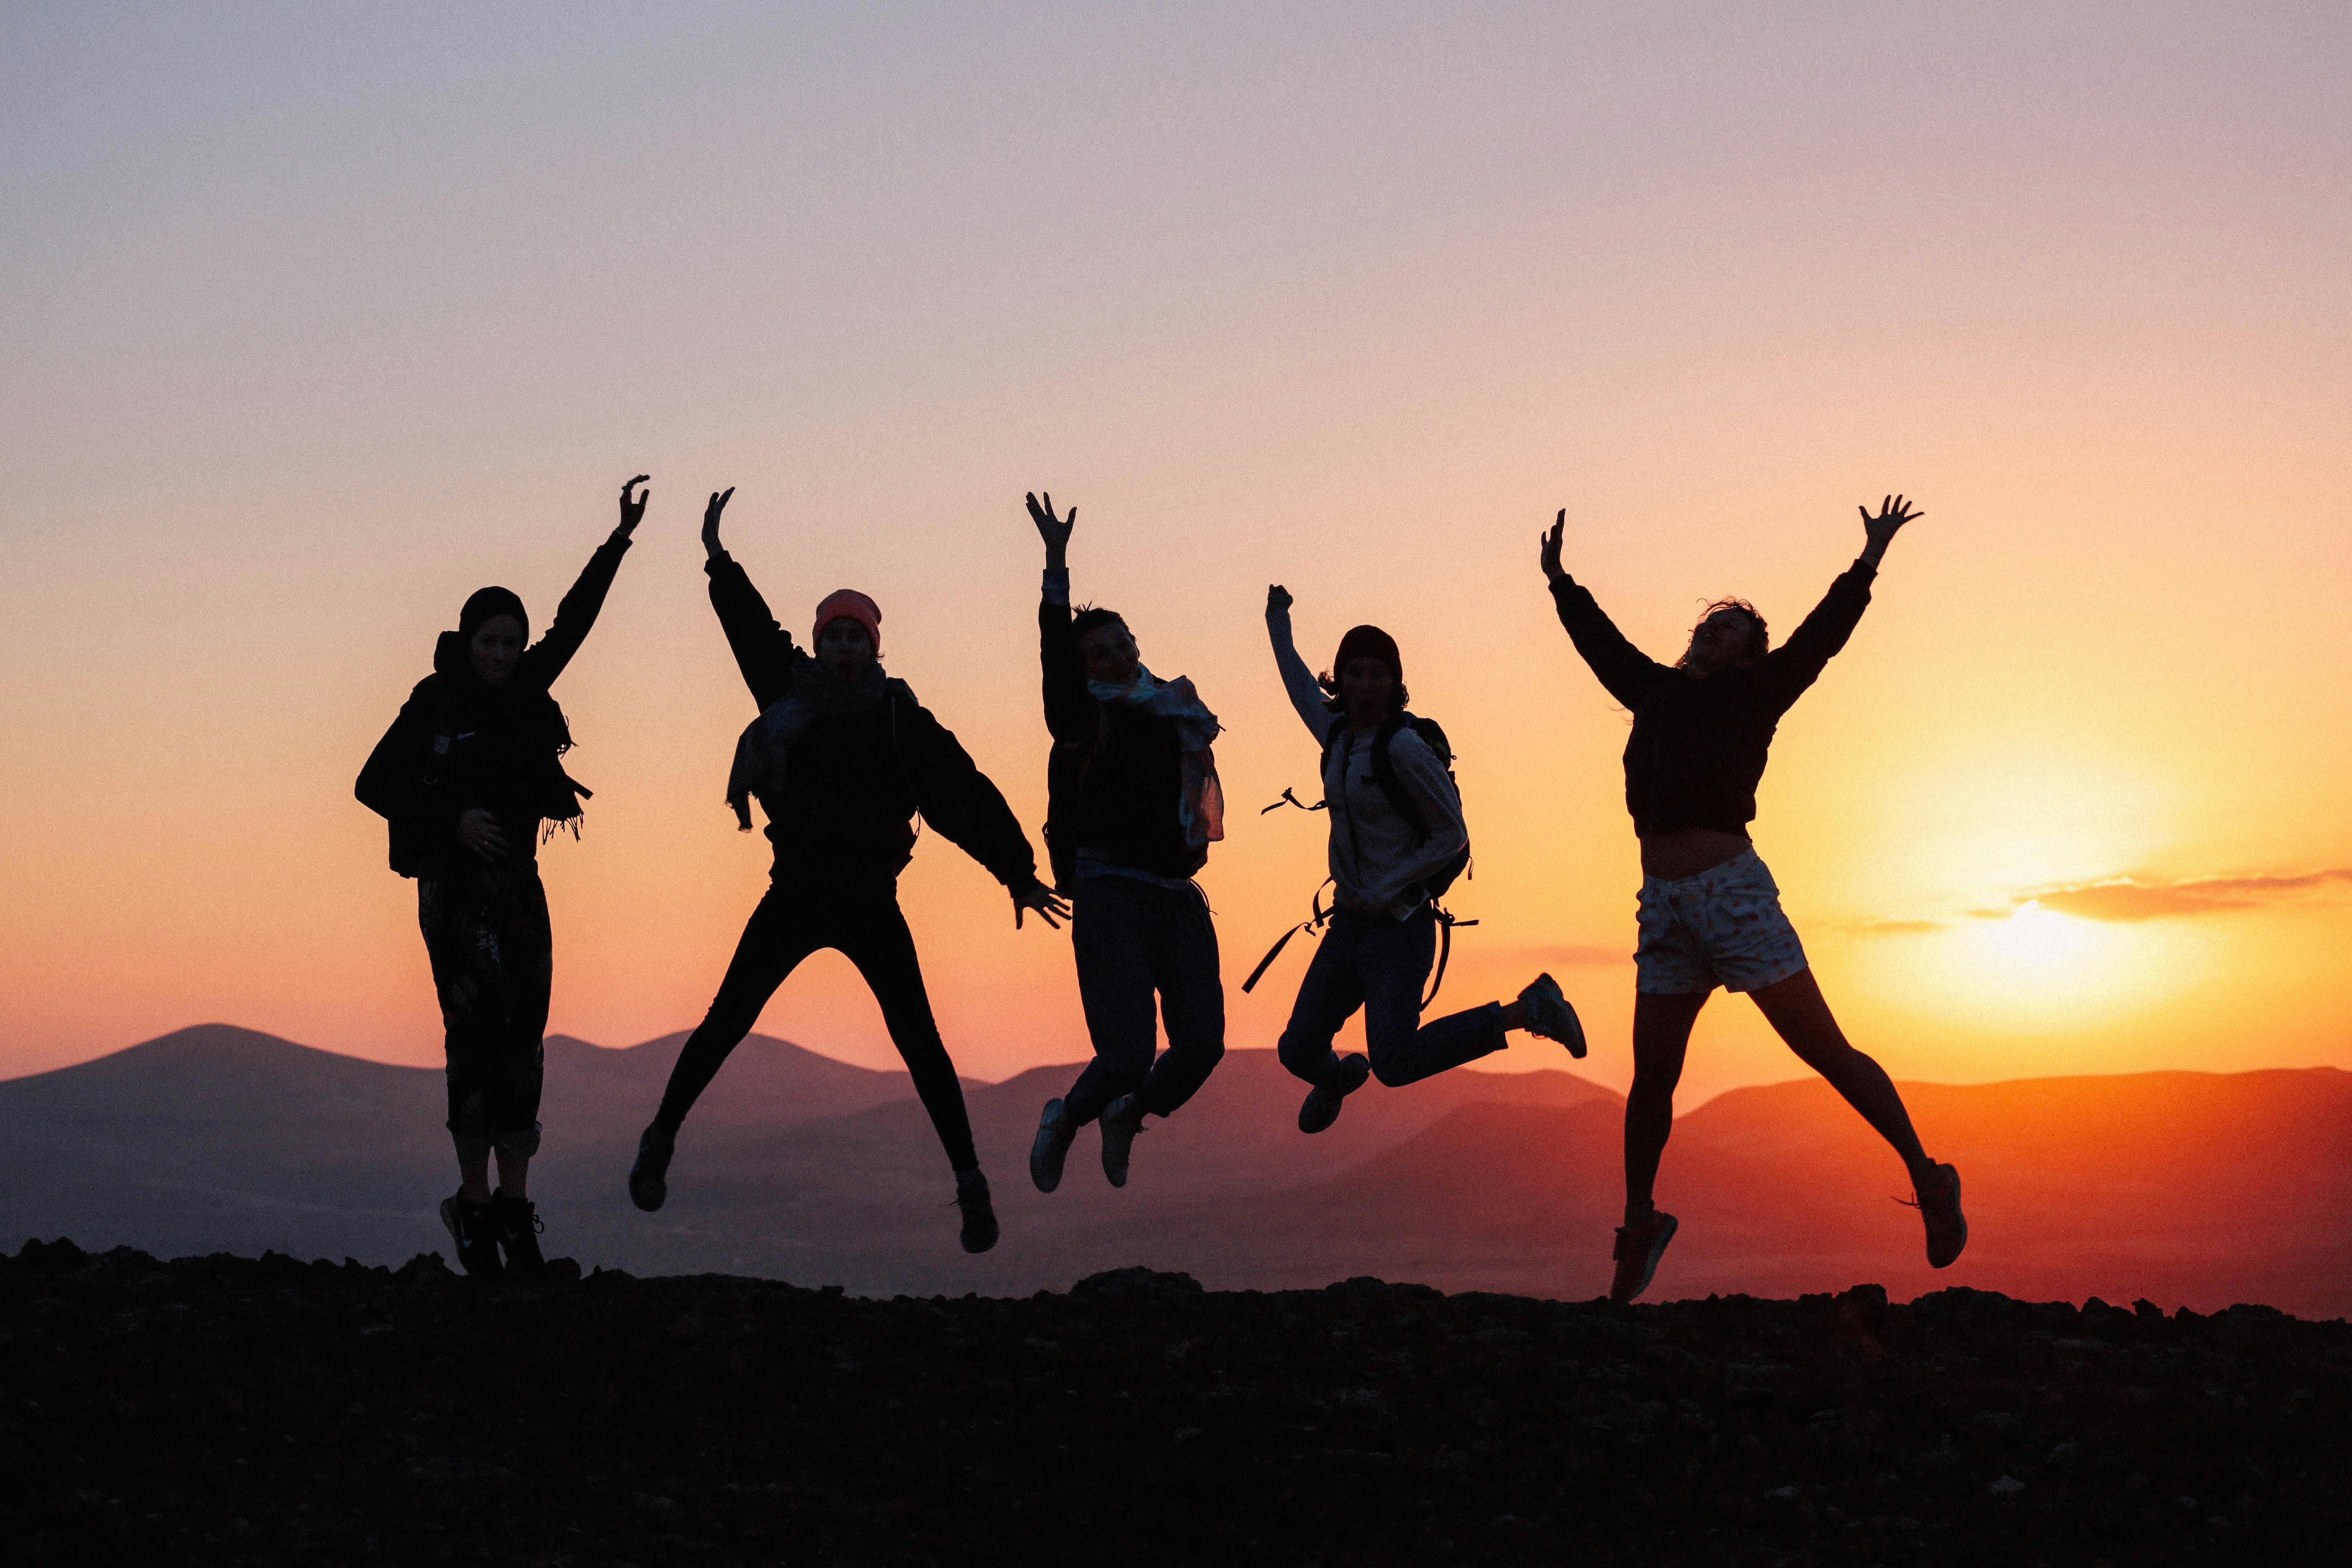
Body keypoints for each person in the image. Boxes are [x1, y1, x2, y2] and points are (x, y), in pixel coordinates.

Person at [1539, 495, 1967, 1303]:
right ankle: (1640, 1226)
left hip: (1734, 898)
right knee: (1653, 1081)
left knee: (1826, 1054)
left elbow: (1821, 641)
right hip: (1663, 904)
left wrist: (1867, 562)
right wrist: (1561, 582)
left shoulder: (1759, 693)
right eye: (1708, 628)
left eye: (1732, 633)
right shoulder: (1655, 692)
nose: (1715, 635)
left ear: (1749, 656)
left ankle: (1928, 1177)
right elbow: (1602, 646)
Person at [629, 487, 1068, 1254]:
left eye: (854, 637)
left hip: (869, 902)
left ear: (874, 647)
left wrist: (1017, 872)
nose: (841, 648)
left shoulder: (899, 717)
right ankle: (660, 1138)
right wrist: (717, 559)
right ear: (818, 643)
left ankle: (971, 1187)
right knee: (727, 1021)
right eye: (831, 636)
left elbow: (960, 791)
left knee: (920, 1042)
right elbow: (750, 632)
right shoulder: (788, 695)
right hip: (795, 893)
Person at [356, 474, 652, 1280]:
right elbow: (374, 784)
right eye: (491, 640)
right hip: (452, 892)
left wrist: (619, 539)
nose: (503, 654)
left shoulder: (528, 694)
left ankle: (514, 1214)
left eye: (512, 644)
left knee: (524, 1039)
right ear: (467, 639)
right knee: (473, 1036)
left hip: (519, 887)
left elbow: (576, 622)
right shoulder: (434, 702)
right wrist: (448, 818)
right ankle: (473, 1206)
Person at [1262, 584, 1586, 1135]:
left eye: (1378, 674)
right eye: (1355, 673)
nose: (1366, 685)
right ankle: (1337, 1080)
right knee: (1297, 1049)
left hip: (1400, 927)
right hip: (1348, 925)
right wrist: (1277, 620)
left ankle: (1528, 1011)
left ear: (1395, 684)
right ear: (1340, 679)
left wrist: (1388, 888)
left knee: (1395, 1062)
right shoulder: (1337, 736)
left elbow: (1452, 836)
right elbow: (1297, 687)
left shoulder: (1405, 749)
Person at [1022, 492, 1227, 1194]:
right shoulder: (1082, 718)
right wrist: (1056, 569)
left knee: (1202, 1046)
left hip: (1177, 897)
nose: (1113, 659)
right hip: (1110, 891)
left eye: (1121, 646)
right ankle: (1068, 1118)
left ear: (1139, 648)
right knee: (1126, 1052)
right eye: (1098, 653)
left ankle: (1127, 1116)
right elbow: (1055, 659)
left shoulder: (1175, 709)